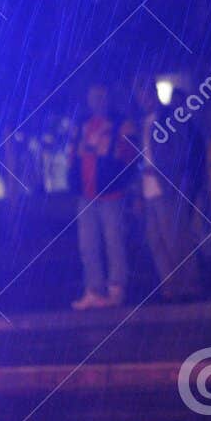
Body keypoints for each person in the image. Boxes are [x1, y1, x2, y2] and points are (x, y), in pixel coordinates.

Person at [132, 76, 206, 301]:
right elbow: (141, 156)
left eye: (146, 94)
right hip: (149, 187)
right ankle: (171, 283)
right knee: (155, 238)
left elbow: (180, 152)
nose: (144, 99)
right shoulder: (142, 122)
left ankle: (189, 283)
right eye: (140, 95)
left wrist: (165, 172)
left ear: (153, 93)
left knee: (175, 237)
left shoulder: (170, 117)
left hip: (167, 185)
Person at [71, 81, 137, 309]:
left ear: (107, 98)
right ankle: (94, 289)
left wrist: (123, 180)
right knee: (88, 243)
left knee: (113, 240)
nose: (96, 101)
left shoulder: (120, 124)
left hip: (111, 193)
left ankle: (116, 288)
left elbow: (130, 155)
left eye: (100, 96)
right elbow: (75, 154)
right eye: (93, 97)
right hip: (86, 195)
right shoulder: (83, 125)